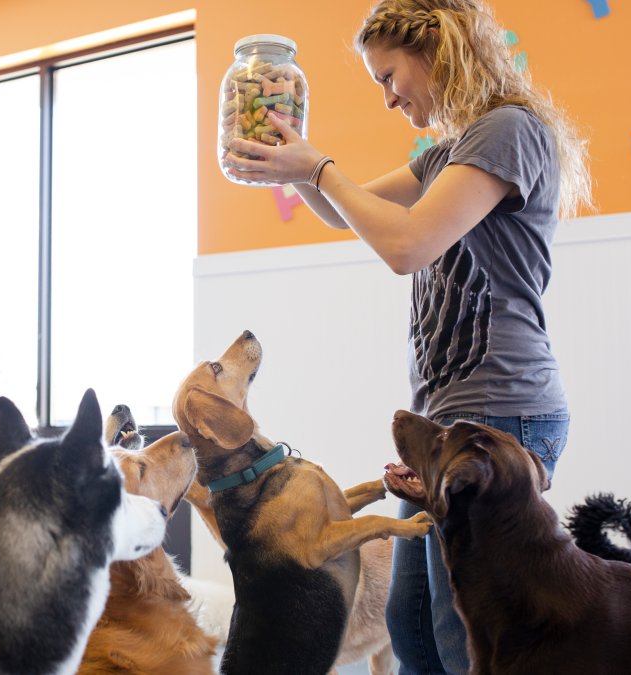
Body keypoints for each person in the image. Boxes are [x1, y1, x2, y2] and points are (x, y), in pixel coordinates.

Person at [221, 0, 592, 672]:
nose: (389, 99)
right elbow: (345, 212)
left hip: (501, 414)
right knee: (413, 625)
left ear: (438, 54)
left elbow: (407, 245)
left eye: (389, 77)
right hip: (448, 420)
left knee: (460, 635)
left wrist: (318, 165)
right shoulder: (449, 153)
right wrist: (294, 161)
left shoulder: (508, 131)